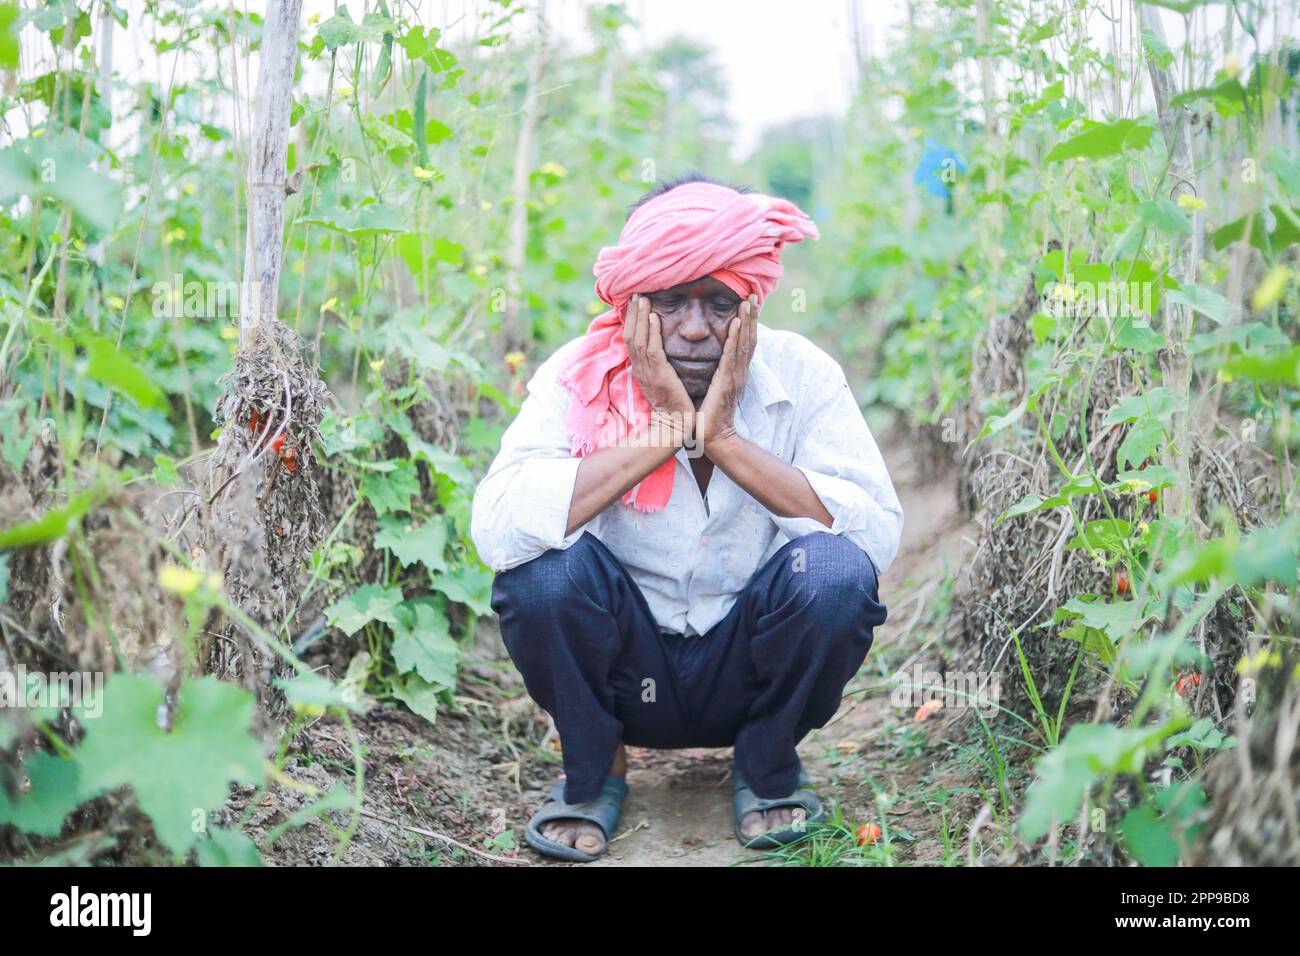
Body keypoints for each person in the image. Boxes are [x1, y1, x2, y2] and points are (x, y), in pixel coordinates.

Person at [471, 173, 904, 862]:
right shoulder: (576, 377)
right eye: (671, 302)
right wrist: (665, 428)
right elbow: (497, 528)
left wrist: (726, 440)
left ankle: (766, 766)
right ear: (633, 307)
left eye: (719, 303)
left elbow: (874, 541)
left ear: (753, 306)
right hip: (623, 670)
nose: (696, 329)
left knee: (835, 572)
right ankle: (594, 772)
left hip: (746, 669)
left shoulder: (804, 375)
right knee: (540, 574)